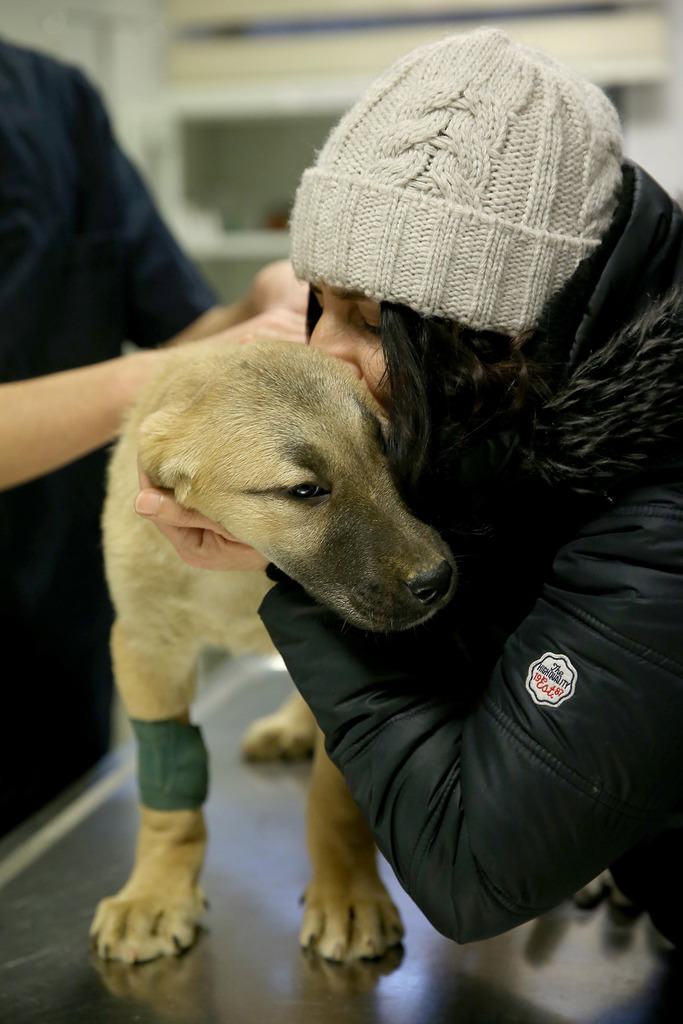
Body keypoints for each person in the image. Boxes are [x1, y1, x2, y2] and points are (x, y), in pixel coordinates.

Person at [135, 28, 683, 946]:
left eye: (372, 322)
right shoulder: (507, 412)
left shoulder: (662, 513)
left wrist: (311, 563)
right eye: (323, 301)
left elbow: (476, 868)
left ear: (501, 335)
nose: (325, 360)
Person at [0, 36, 306, 836]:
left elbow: (185, 328)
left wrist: (261, 301)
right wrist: (174, 376)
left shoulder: (52, 99)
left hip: (58, 619)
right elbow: (179, 366)